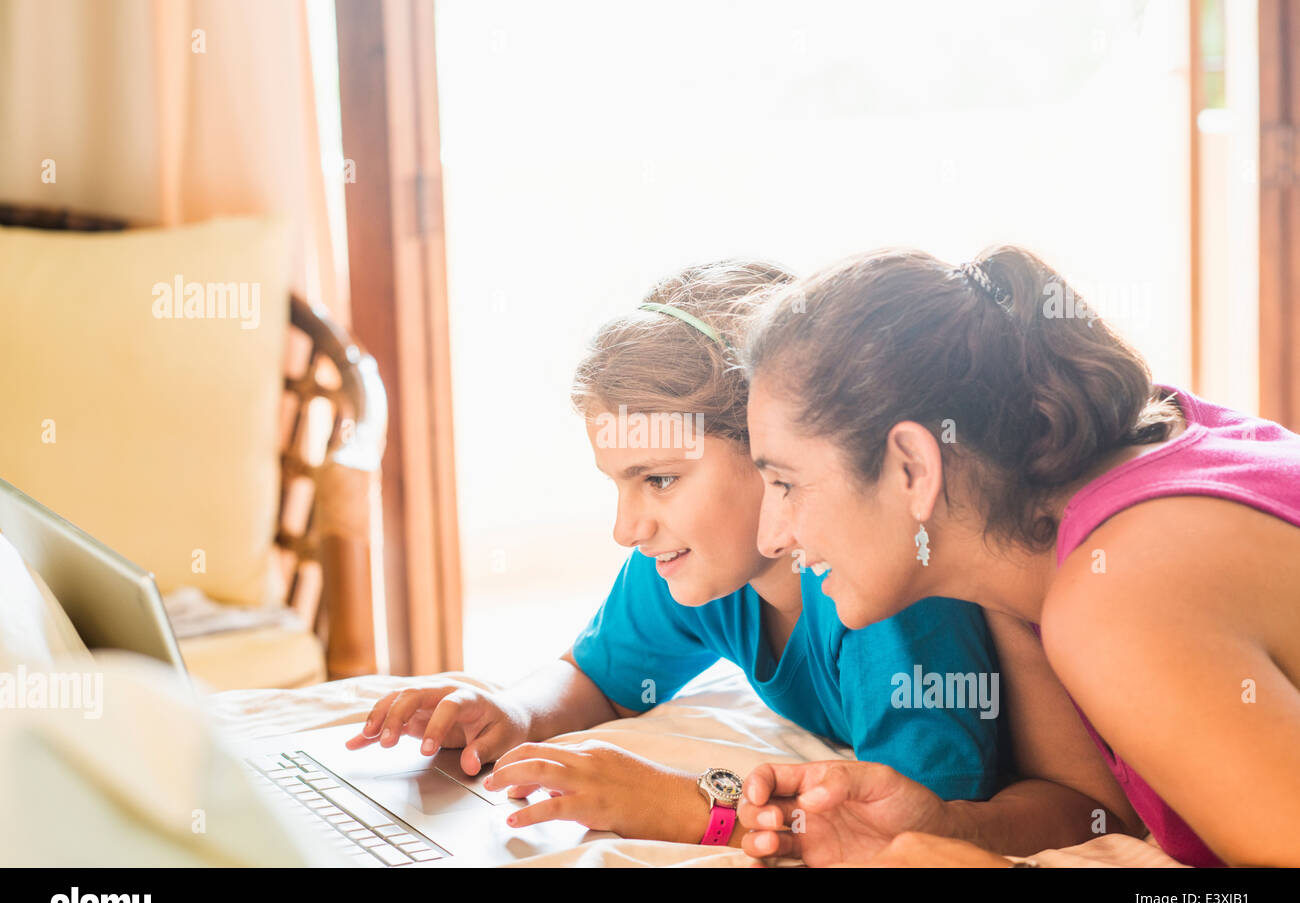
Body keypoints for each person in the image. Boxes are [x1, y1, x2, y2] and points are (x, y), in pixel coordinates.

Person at [347, 260, 1006, 847]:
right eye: (619, 483)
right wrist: (508, 711)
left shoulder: (885, 596)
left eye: (658, 479)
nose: (627, 527)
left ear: (769, 439)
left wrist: (685, 802)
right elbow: (598, 676)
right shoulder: (703, 568)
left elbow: (906, 832)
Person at [739, 245, 1300, 867]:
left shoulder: (1117, 600)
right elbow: (1098, 807)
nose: (771, 538)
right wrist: (955, 832)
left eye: (786, 483)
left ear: (913, 469)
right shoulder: (1032, 545)